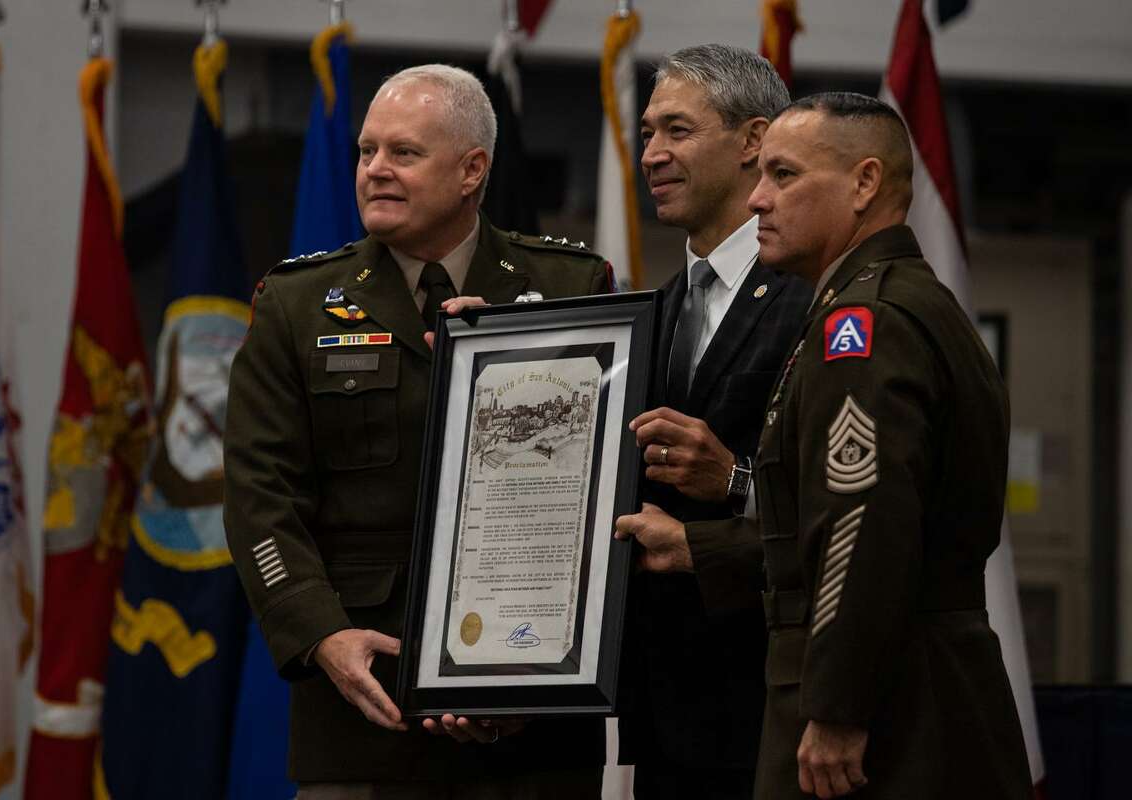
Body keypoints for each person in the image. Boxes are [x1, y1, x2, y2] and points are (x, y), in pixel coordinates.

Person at [620, 91, 1036, 800]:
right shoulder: (895, 302)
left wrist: (837, 707)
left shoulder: (863, 326)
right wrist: (703, 549)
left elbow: (860, 528)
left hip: (886, 710)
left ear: (865, 184)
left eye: (784, 176)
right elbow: (820, 523)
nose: (757, 200)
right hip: (911, 683)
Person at [224, 64, 611, 799]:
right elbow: (258, 500)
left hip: (535, 711)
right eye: (367, 151)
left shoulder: (567, 288)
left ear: (472, 170)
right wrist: (320, 635)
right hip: (367, 704)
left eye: (403, 153)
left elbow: (597, 493)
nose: (375, 170)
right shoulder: (297, 304)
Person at [615, 45, 812, 799]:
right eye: (645, 134)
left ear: (753, 142)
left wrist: (733, 479)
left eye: (676, 130)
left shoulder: (810, 294)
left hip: (774, 714)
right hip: (666, 717)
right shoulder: (656, 308)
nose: (652, 155)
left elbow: (848, 506)